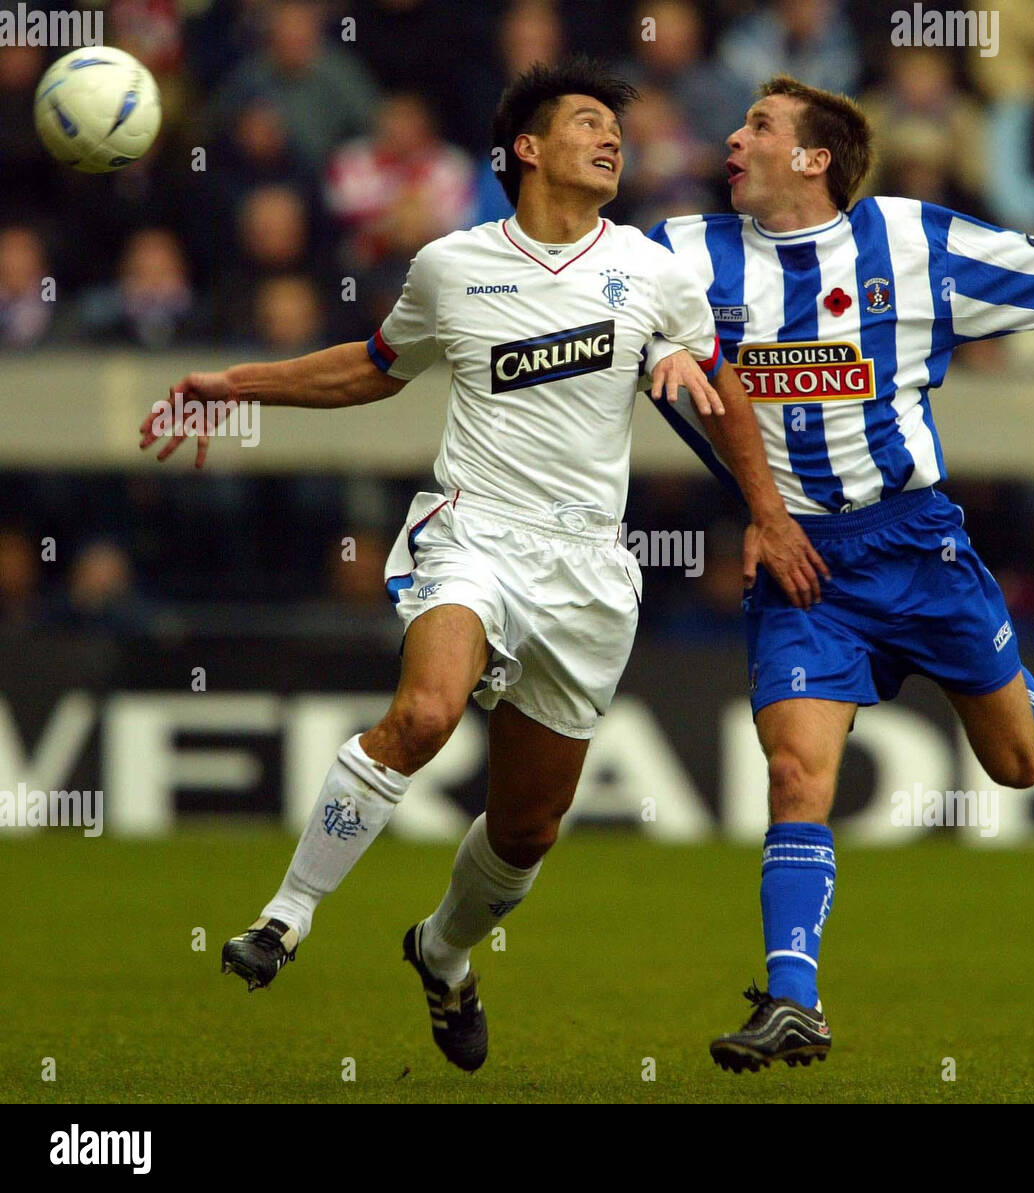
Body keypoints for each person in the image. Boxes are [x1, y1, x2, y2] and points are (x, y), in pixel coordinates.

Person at [139, 56, 823, 1072]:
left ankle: (443, 951)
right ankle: (284, 919)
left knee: (527, 830)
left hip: (589, 568)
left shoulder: (653, 271)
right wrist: (236, 384)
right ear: (527, 150)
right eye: (587, 122)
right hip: (475, 532)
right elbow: (372, 369)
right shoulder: (452, 266)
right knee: (422, 714)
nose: (611, 138)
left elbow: (724, 400)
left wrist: (765, 514)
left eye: (616, 127)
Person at [645, 74, 1034, 1072]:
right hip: (801, 560)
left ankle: (1013, 687)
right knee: (797, 771)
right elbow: (569, 284)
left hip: (920, 548)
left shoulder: (908, 243)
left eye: (757, 126)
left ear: (811, 159)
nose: (731, 137)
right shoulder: (679, 256)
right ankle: (793, 998)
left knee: (1019, 764)